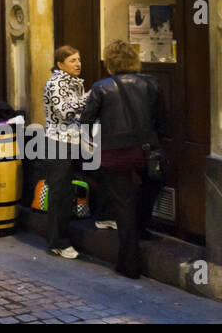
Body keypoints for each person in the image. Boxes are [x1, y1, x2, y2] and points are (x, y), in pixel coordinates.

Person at [79, 40, 168, 279]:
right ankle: (141, 228)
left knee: (122, 204)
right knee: (152, 186)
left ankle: (130, 263)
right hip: (145, 151)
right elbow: (162, 122)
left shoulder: (101, 87)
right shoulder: (152, 83)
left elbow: (86, 121)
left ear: (109, 62)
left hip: (114, 154)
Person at [43, 45, 89, 259]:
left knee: (69, 191)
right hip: (58, 142)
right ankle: (57, 242)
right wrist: (88, 98)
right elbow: (63, 112)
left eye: (79, 59)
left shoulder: (74, 82)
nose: (78, 64)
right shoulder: (56, 82)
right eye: (72, 60)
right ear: (61, 64)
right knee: (59, 194)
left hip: (75, 140)